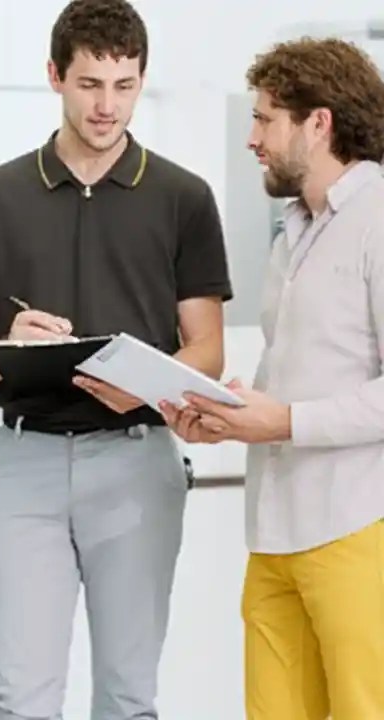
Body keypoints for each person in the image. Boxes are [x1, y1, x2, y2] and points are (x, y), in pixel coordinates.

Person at [0, 0, 233, 717]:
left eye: (124, 85)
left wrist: (146, 390)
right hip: (22, 469)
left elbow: (209, 349)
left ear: (141, 80)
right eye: (90, 84)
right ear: (55, 77)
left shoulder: (184, 199)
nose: (108, 106)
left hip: (137, 462)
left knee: (129, 697)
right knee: (23, 697)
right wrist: (7, 348)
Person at [162, 36, 384, 719]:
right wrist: (222, 413)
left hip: (355, 530)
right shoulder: (293, 232)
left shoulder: (378, 221)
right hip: (272, 535)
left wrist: (282, 422)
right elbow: (301, 365)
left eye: (264, 119)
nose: (252, 138)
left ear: (319, 123)